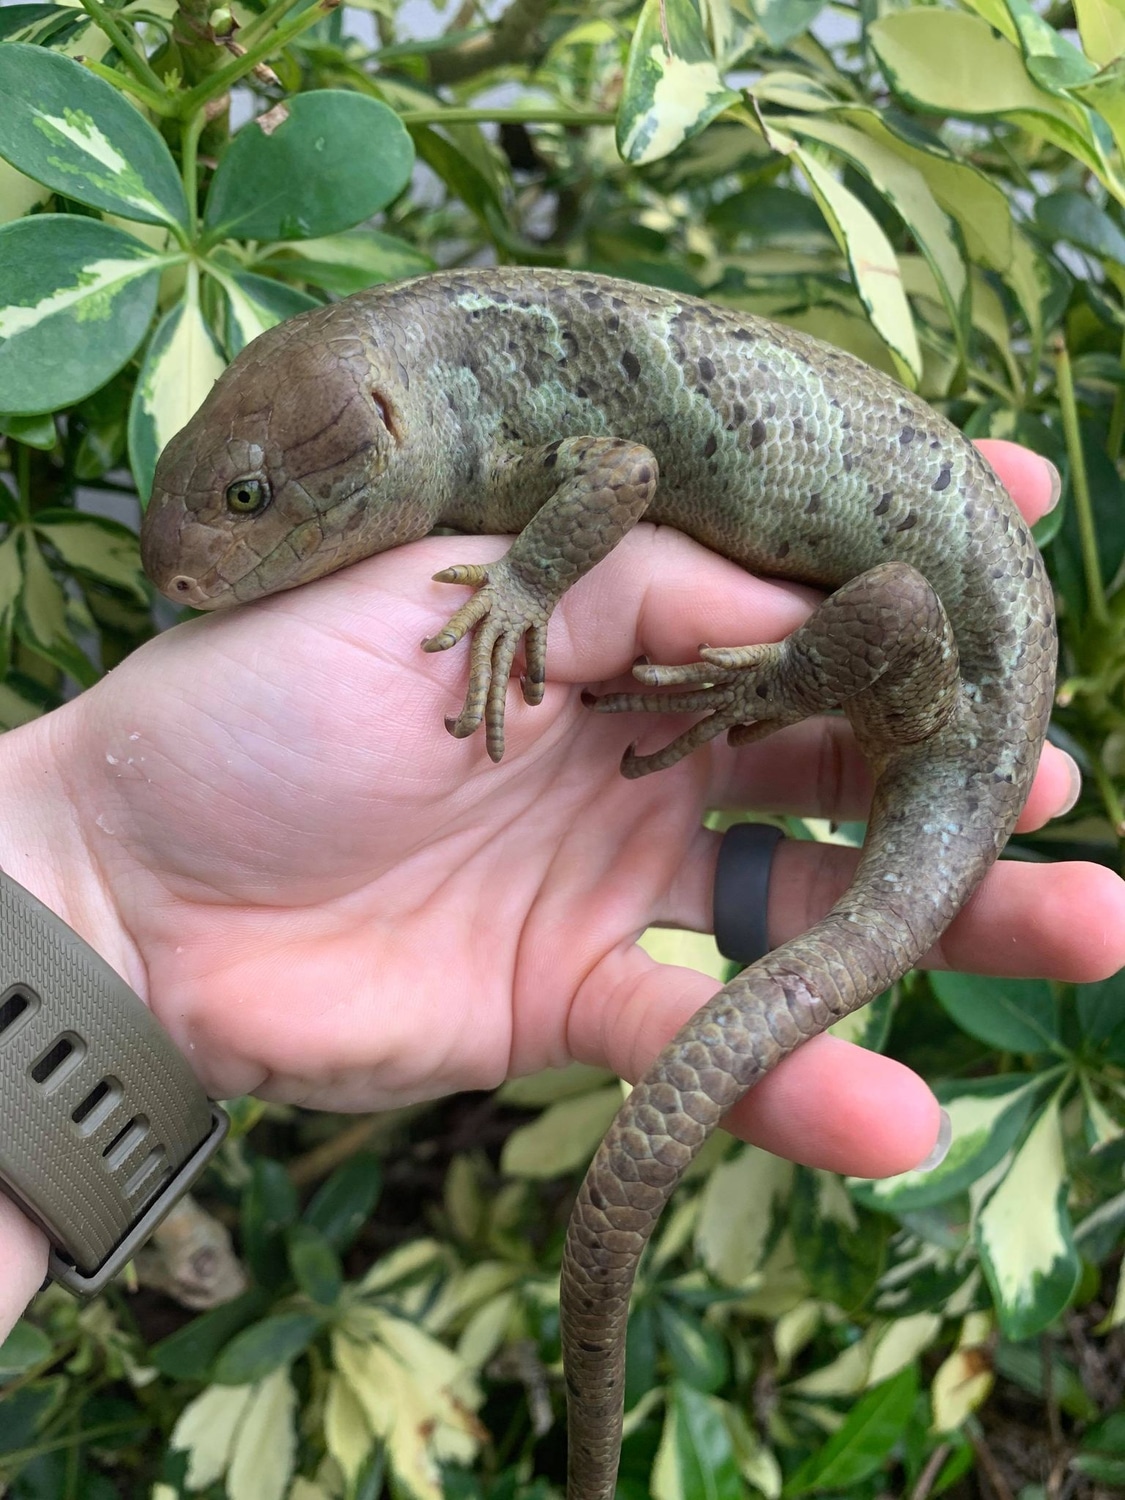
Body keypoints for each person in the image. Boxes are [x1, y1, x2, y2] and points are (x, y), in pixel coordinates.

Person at [1, 441, 1121, 1338]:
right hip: (930, 682)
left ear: (383, 424)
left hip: (948, 707)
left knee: (887, 616)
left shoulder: (478, 423)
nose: (192, 571)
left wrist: (782, 675)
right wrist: (92, 880)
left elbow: (878, 605)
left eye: (251, 498)